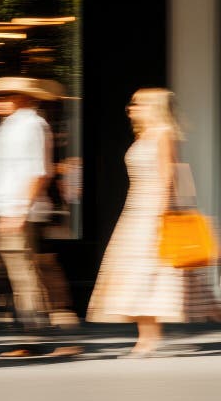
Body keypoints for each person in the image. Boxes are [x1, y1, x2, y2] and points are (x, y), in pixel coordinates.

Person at [86, 88, 218, 357]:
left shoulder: (163, 134)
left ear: (154, 107)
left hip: (155, 210)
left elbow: (170, 175)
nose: (131, 108)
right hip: (136, 209)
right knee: (141, 276)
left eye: (138, 104)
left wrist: (161, 213)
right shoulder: (143, 135)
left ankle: (149, 338)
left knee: (158, 275)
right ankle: (148, 337)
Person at [0, 76, 81, 358]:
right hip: (8, 210)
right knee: (23, 277)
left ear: (22, 98)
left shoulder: (29, 125)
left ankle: (36, 339)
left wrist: (19, 211)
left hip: (19, 212)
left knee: (25, 277)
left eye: (4, 96)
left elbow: (37, 171)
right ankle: (36, 338)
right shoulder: (11, 126)